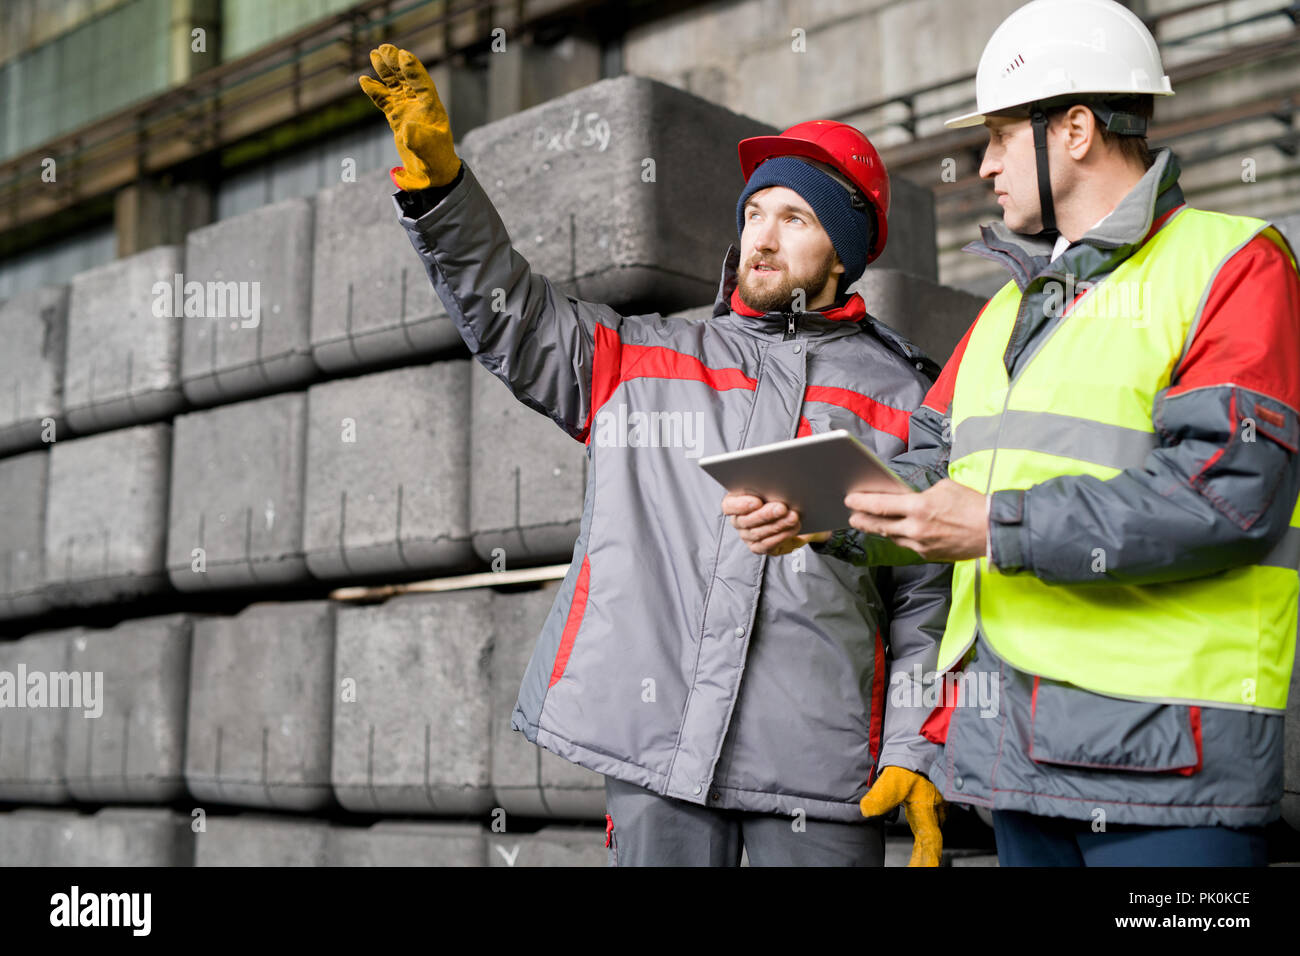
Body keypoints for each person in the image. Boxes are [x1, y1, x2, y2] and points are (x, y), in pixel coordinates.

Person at [725, 0, 1300, 866]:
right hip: (1017, 771)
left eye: (998, 136)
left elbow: (1225, 495)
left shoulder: (1233, 264)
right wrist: (823, 513)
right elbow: (930, 471)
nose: (985, 165)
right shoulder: (1006, 313)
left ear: (1072, 129)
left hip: (1168, 777)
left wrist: (996, 526)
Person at [360, 43, 952, 866]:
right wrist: (441, 191)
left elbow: (928, 599)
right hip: (658, 759)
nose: (764, 237)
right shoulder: (644, 359)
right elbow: (513, 317)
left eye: (796, 218)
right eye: (755, 212)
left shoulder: (905, 400)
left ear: (846, 253)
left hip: (820, 776)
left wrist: (913, 751)